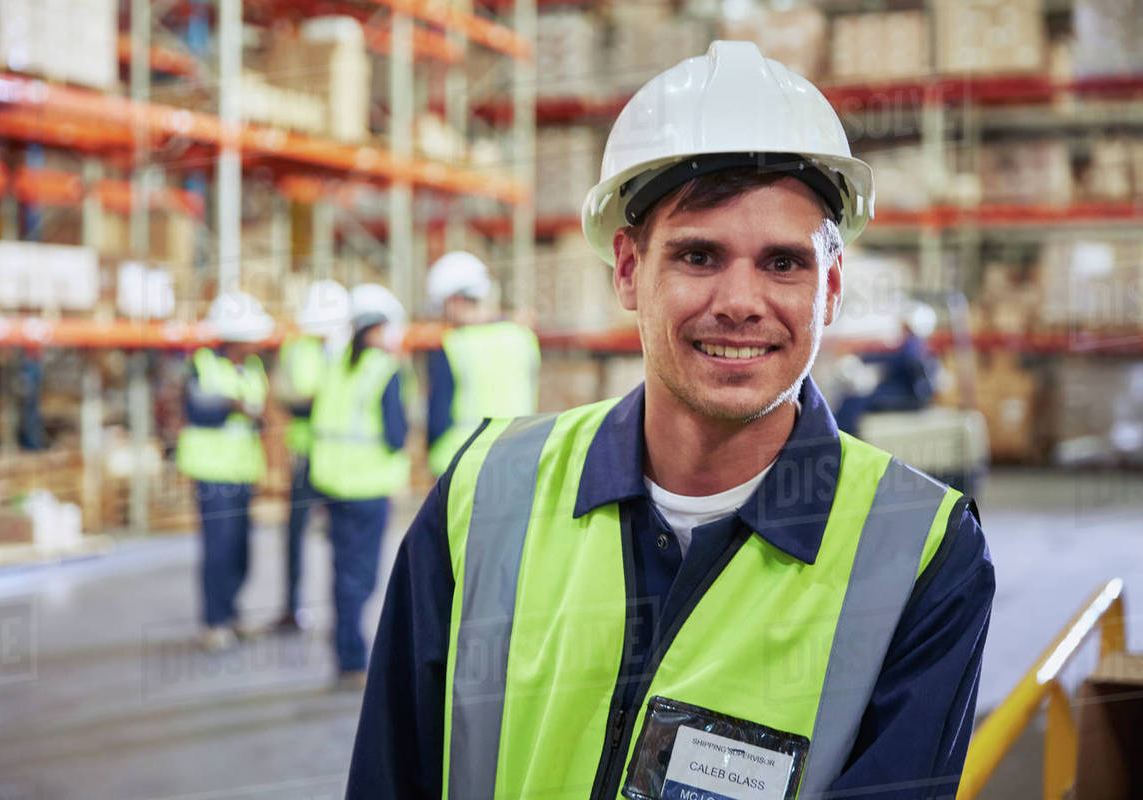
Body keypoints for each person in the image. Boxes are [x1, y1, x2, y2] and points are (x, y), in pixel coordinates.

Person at [349, 41, 994, 800]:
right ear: (628, 269)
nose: (741, 301)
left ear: (831, 289)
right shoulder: (484, 497)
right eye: (698, 256)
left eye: (783, 263)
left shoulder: (922, 553)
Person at [308, 284, 412, 689]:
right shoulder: (384, 370)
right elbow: (395, 435)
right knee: (361, 578)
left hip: (333, 487)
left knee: (341, 573)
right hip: (367, 489)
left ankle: (345, 652)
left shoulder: (336, 366)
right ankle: (351, 658)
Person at [176, 291, 273, 652]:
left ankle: (233, 613)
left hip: (242, 472)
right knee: (217, 549)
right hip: (211, 472)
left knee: (239, 549)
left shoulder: (253, 368)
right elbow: (200, 409)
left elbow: (259, 413)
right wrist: (234, 405)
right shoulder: (202, 364)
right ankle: (213, 621)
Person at [270, 280, 350, 631]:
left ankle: (344, 613)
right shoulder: (297, 348)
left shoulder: (350, 349)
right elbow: (290, 397)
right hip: (306, 454)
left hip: (343, 458)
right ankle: (291, 607)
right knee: (295, 533)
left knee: (343, 538)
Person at [424, 250, 540, 476]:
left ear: (454, 299)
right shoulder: (523, 338)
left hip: (461, 464)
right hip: (517, 461)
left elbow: (438, 418)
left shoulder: (452, 345)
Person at [834, 301, 940, 435]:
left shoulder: (913, 345)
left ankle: (839, 435)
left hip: (907, 394)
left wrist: (862, 357)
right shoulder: (918, 345)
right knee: (858, 398)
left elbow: (896, 359)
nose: (902, 327)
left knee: (856, 400)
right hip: (905, 391)